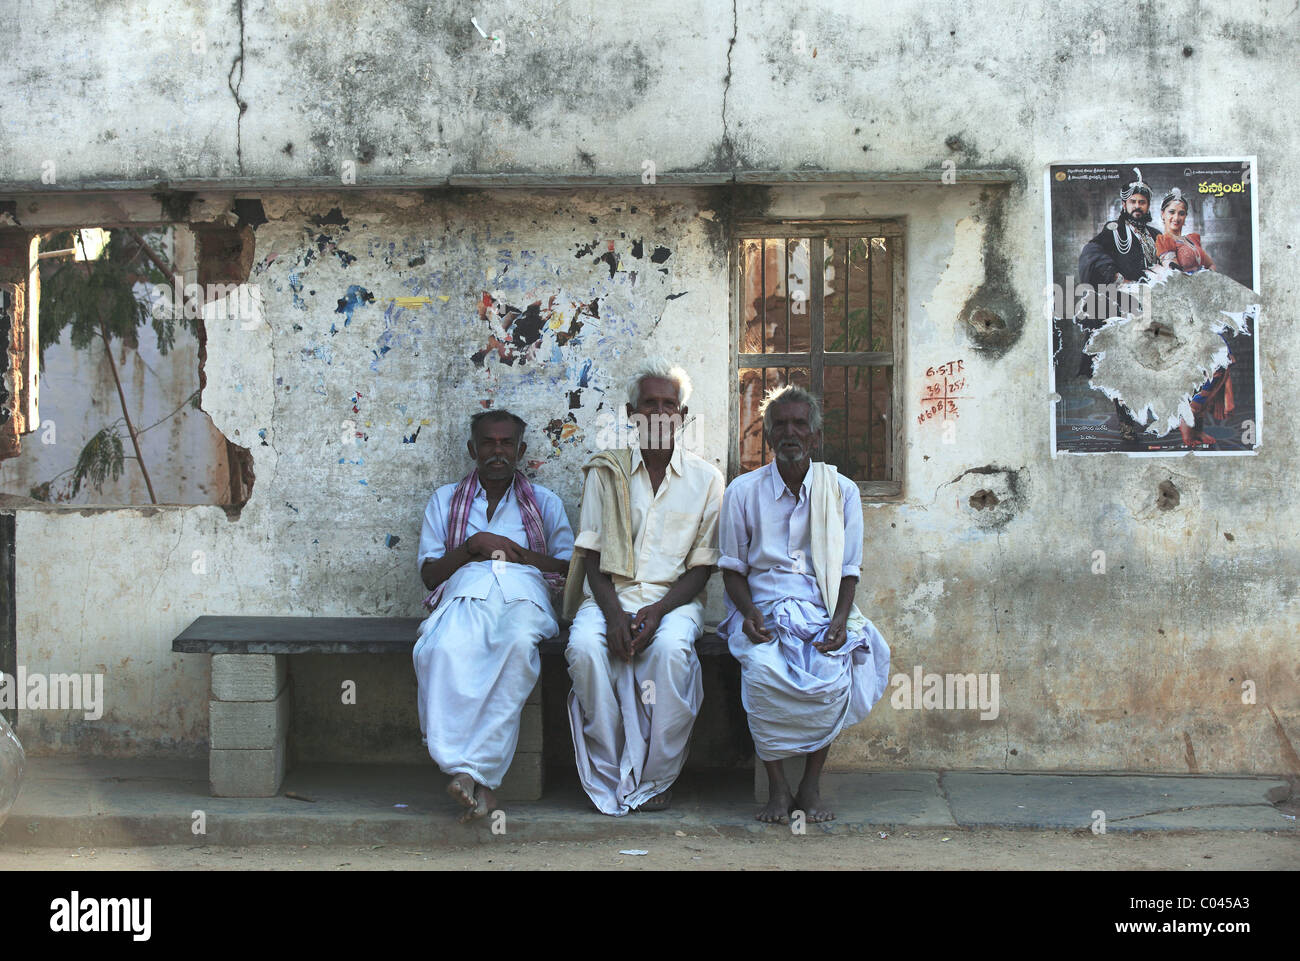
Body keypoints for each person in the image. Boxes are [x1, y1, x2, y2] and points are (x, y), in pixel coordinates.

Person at [719, 385, 890, 824]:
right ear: (768, 437)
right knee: (760, 673)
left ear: (815, 437)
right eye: (781, 425)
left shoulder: (842, 491)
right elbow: (732, 569)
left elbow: (849, 569)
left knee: (835, 671)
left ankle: (810, 785)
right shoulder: (742, 491)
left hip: (823, 608)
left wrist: (839, 620)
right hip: (763, 611)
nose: (790, 432)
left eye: (800, 425)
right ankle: (778, 789)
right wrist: (750, 614)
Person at [563, 358, 724, 816]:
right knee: (585, 651)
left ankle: (656, 777)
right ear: (631, 413)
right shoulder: (605, 472)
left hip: (674, 602)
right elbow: (590, 556)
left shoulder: (707, 480)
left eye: (668, 404)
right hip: (609, 597)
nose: (658, 412)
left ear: (682, 416)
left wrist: (655, 612)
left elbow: (701, 567)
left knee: (673, 654)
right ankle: (612, 772)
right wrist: (615, 616)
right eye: (648, 403)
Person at [413, 409, 573, 822]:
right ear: (473, 449)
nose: (497, 451)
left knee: (518, 650)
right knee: (440, 650)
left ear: (520, 451)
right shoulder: (445, 501)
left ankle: (471, 773)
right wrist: (472, 546)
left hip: (524, 597)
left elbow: (569, 569)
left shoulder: (545, 502)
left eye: (506, 444)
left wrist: (514, 553)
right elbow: (430, 576)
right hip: (465, 594)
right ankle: (473, 776)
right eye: (488, 442)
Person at [1156, 188, 1216, 273]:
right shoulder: (1164, 242)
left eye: (1181, 213)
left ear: (1185, 216)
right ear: (1163, 214)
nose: (1176, 218)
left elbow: (1211, 265)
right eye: (1172, 212)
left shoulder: (1192, 239)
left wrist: (1209, 277)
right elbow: (1175, 275)